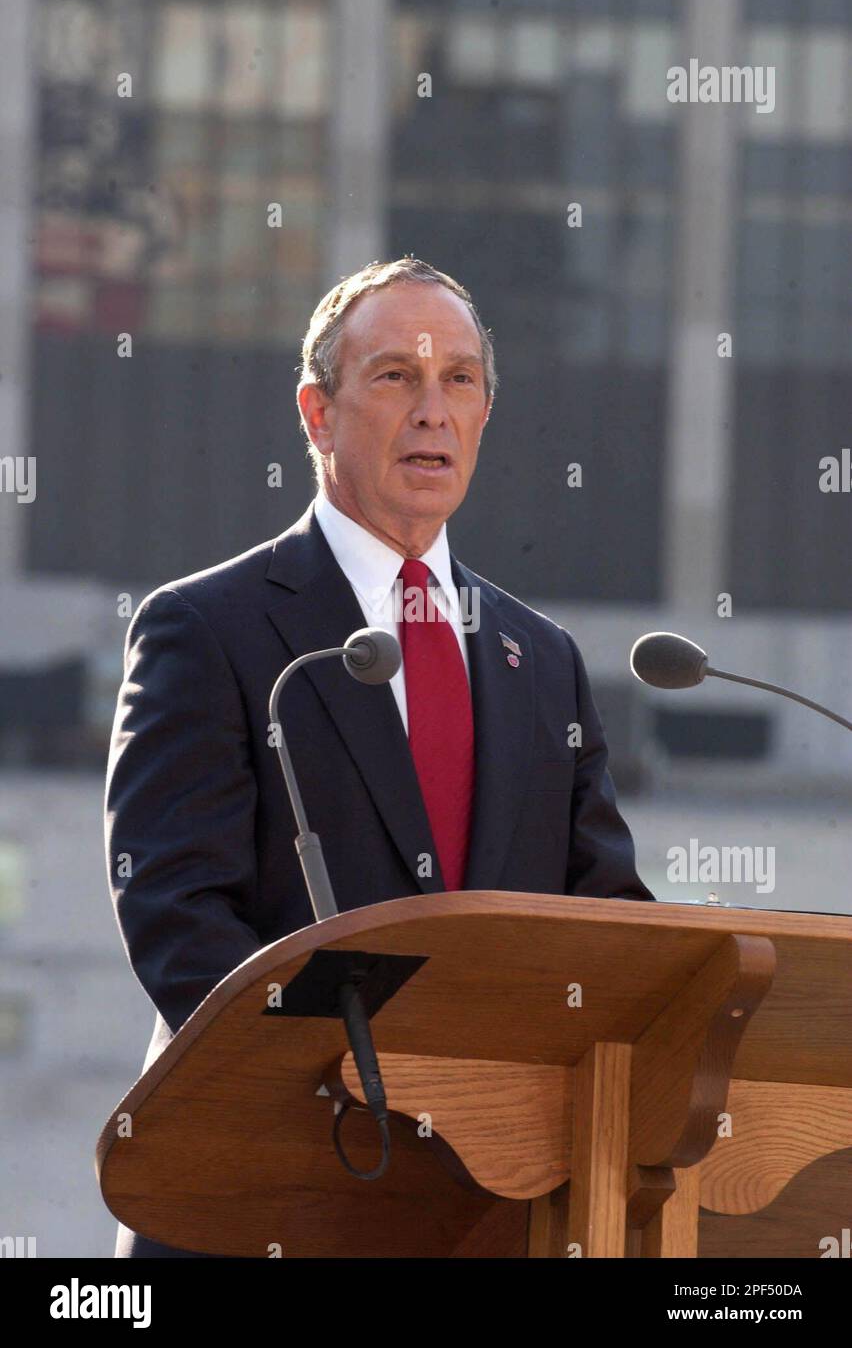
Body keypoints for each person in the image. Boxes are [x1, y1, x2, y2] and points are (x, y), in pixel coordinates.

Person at [106, 258, 655, 1257]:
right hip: (264, 1191)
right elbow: (178, 914)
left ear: (487, 414)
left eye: (460, 380)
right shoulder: (206, 628)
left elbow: (602, 921)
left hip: (488, 1208)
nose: (433, 410)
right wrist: (351, 1082)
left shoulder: (545, 662)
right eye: (396, 375)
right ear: (317, 412)